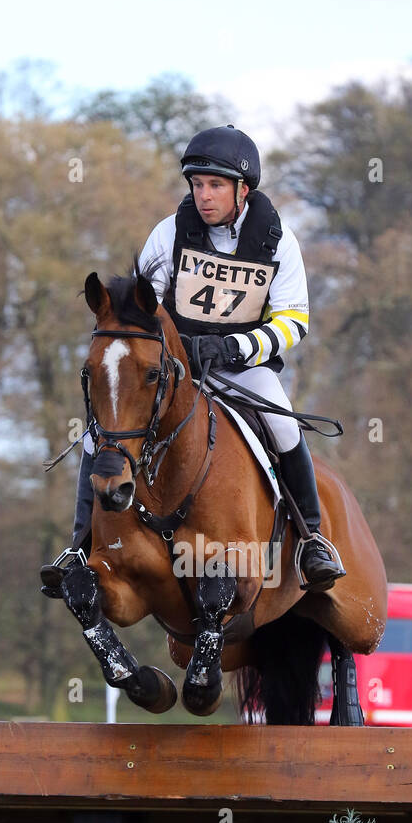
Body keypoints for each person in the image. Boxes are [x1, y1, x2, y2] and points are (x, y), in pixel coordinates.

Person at [69, 124, 344, 591]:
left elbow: (294, 321)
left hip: (245, 368)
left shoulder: (279, 240)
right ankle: (78, 544)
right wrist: (167, 350)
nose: (204, 196)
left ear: (243, 189)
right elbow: (140, 309)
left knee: (284, 427)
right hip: (176, 370)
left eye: (215, 185)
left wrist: (234, 346)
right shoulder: (170, 233)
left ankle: (312, 539)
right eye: (197, 185)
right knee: (102, 434)